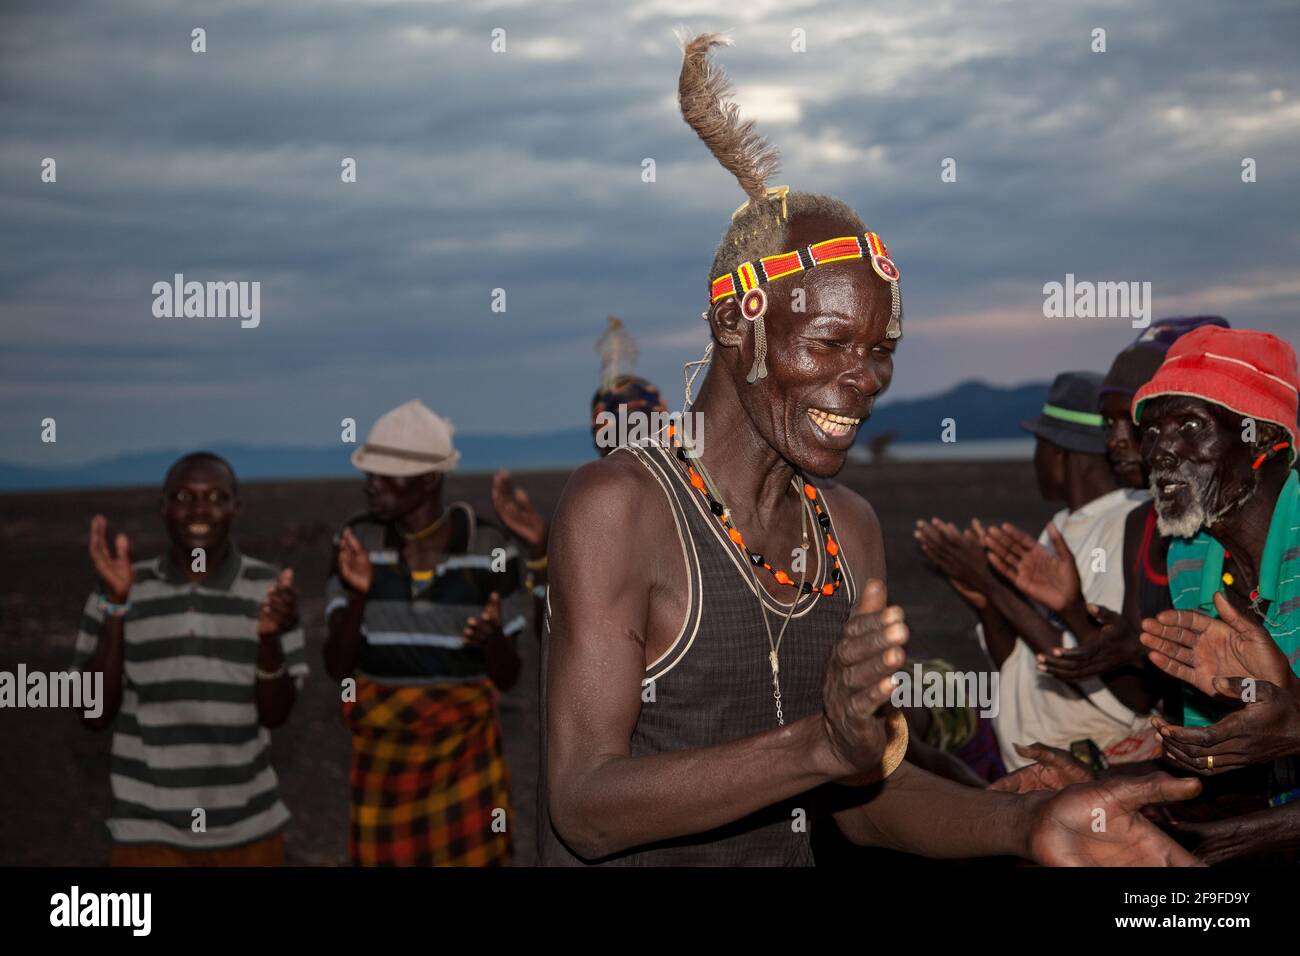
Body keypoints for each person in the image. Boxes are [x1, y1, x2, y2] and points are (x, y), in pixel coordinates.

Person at [537, 33, 1203, 867]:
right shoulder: (622, 509)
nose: (866, 379)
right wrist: (817, 745)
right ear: (736, 324)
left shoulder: (846, 530)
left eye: (881, 347)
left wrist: (1028, 827)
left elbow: (860, 802)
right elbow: (585, 805)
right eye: (829, 342)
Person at [323, 400, 531, 866]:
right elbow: (337, 666)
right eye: (369, 472)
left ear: (430, 478)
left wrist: (492, 636)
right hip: (384, 768)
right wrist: (358, 596)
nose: (370, 485)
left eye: (386, 473)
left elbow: (508, 677)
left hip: (465, 765)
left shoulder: (489, 548)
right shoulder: (356, 542)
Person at [918, 372, 1158, 771]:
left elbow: (1099, 667)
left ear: (1060, 451)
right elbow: (1015, 661)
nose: (1036, 458)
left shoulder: (1129, 524)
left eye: (1039, 445)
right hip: (1032, 766)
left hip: (1094, 768)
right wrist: (984, 601)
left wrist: (994, 587)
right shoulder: (1061, 526)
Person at [74, 452, 306, 865]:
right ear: (163, 507)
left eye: (216, 496)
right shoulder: (119, 587)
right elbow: (92, 714)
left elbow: (277, 714)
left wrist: (269, 637)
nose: (200, 509)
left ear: (236, 507)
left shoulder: (270, 590)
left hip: (250, 831)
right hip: (147, 834)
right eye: (184, 496)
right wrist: (116, 607)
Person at [1131, 327, 1300, 860]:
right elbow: (1228, 757)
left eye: (1189, 425)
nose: (1160, 451)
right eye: (1153, 432)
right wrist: (1095, 784)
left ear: (1265, 439)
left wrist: (1224, 841)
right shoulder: (1192, 556)